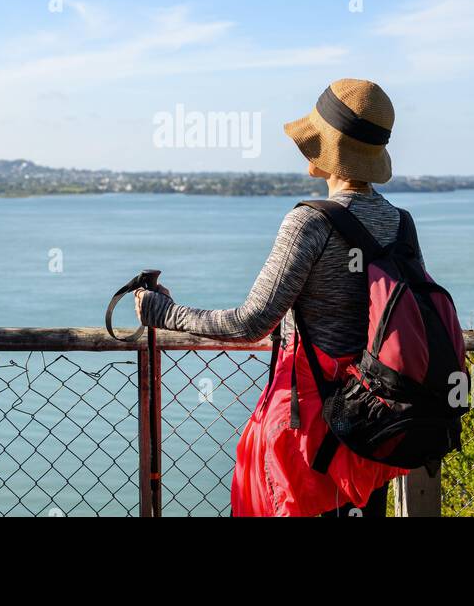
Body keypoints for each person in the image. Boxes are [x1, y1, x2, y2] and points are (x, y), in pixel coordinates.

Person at [135, 78, 414, 516]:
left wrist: (164, 311)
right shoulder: (401, 224)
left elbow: (250, 323)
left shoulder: (311, 223)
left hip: (313, 431)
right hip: (375, 426)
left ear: (325, 150)